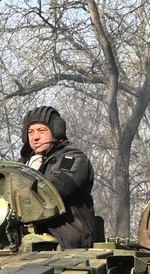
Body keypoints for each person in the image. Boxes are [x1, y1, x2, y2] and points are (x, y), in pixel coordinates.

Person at [18, 106, 98, 247]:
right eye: (30, 132)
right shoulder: (25, 163)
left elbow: (57, 190)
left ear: (56, 131)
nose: (35, 137)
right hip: (28, 242)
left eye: (41, 130)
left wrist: (31, 175)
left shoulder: (73, 158)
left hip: (68, 241)